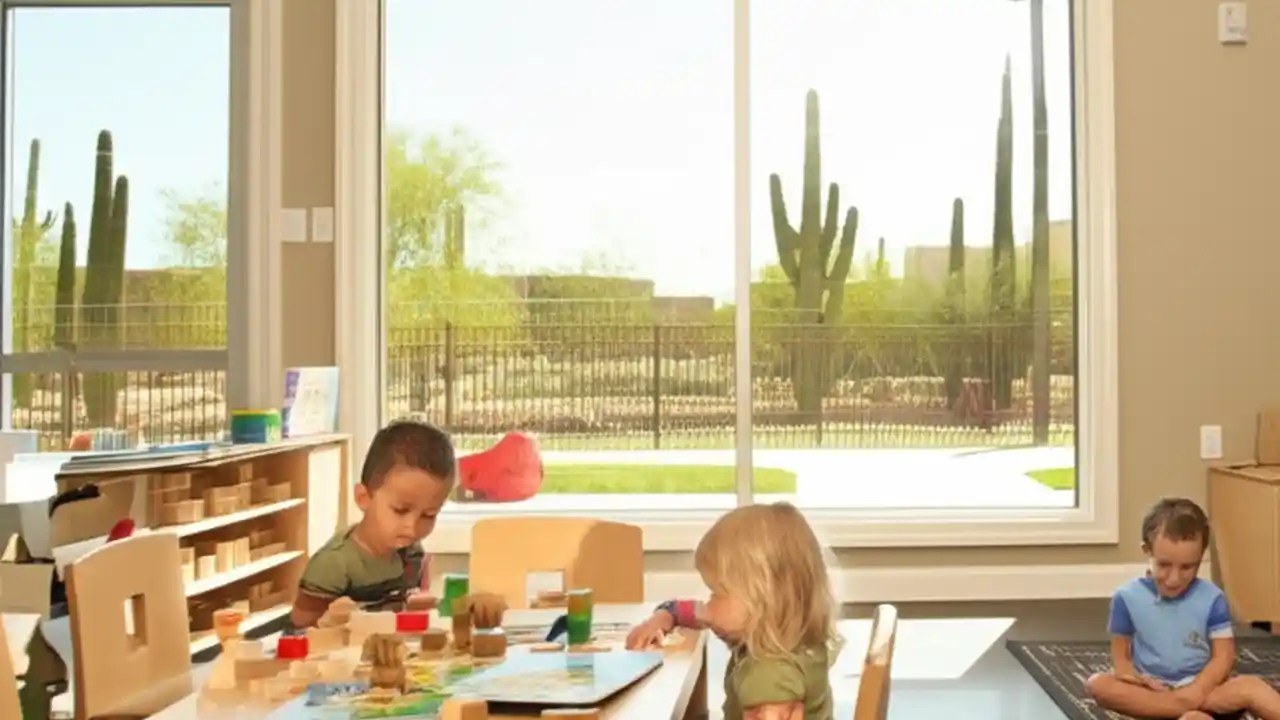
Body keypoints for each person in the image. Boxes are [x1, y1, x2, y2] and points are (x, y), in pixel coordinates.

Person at [626, 502, 838, 720]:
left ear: (760, 601)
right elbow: (689, 610)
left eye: (716, 593)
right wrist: (663, 617)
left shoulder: (770, 679)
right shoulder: (792, 643)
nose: (709, 604)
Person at [1085, 497, 1280, 720]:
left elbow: (1223, 657)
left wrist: (1196, 691)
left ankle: (1175, 712)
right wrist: (1135, 678)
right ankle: (1183, 712)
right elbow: (1121, 659)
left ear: (1200, 557)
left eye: (1187, 567)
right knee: (1098, 684)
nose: (1174, 579)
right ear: (1147, 550)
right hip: (1153, 692)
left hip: (1205, 691)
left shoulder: (1212, 598)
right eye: (1164, 565)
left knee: (1250, 686)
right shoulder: (1126, 598)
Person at [289, 420, 456, 627]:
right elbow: (300, 630)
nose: (412, 527)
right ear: (364, 498)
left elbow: (403, 606)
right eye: (400, 510)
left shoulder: (411, 553)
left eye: (429, 515)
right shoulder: (333, 564)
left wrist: (444, 605)